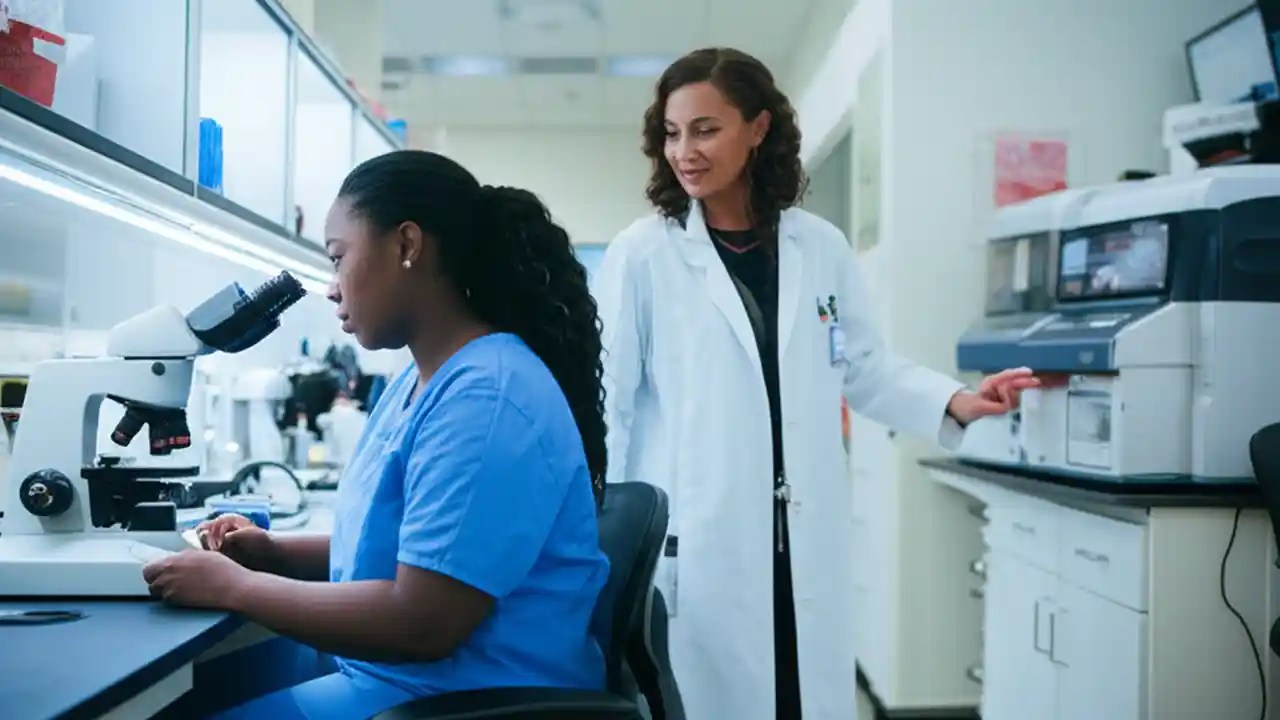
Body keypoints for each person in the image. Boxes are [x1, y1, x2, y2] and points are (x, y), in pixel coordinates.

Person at [593, 47, 1040, 720]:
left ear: (759, 128)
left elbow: (860, 365)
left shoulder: (819, 247)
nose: (685, 150)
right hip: (702, 538)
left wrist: (952, 399)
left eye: (706, 129)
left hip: (800, 532)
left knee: (801, 697)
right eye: (674, 132)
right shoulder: (644, 253)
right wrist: (602, 539)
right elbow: (611, 402)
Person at [141, 150, 611, 719]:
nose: (333, 287)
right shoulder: (422, 381)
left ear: (407, 246)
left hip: (460, 700)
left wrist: (230, 587)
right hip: (406, 683)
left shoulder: (487, 396)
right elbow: (405, 548)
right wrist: (272, 554)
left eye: (339, 259)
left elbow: (422, 624)